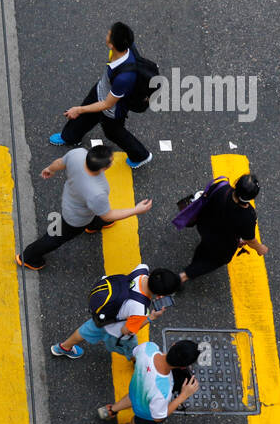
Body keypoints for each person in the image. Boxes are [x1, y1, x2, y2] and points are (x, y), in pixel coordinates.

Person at [17, 145, 151, 271]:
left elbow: (59, 162)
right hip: (75, 218)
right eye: (110, 161)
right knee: (54, 237)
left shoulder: (77, 154)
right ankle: (28, 257)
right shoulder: (98, 191)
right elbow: (107, 215)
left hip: (74, 200)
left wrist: (50, 169)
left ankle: (94, 225)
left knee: (96, 215)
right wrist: (136, 210)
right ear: (103, 168)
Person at [48, 21, 153, 168]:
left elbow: (107, 104)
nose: (107, 34)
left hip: (111, 109)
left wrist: (77, 109)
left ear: (112, 45)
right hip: (102, 89)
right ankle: (70, 137)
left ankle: (141, 155)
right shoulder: (125, 48)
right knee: (85, 115)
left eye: (109, 34)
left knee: (112, 132)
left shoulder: (124, 78)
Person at [51, 264, 181, 360]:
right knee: (131, 347)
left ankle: (63, 347)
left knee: (85, 331)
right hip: (115, 331)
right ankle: (136, 362)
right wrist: (151, 317)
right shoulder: (140, 309)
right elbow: (126, 331)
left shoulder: (142, 269)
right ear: (159, 295)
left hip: (104, 315)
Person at [98, 339, 200, 424]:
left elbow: (134, 354)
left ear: (173, 345)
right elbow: (158, 417)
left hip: (135, 389)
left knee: (132, 397)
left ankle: (111, 410)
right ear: (183, 367)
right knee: (141, 422)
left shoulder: (148, 348)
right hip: (144, 412)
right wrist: (183, 396)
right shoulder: (164, 389)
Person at [179, 173, 268, 283]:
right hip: (221, 244)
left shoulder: (222, 187)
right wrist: (260, 249)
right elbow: (250, 239)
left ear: (236, 184)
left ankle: (196, 262)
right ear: (252, 197)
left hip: (204, 226)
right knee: (214, 261)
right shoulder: (248, 215)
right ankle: (182, 277)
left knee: (204, 246)